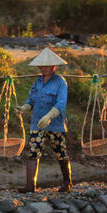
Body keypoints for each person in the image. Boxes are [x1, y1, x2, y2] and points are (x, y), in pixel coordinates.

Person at [15, 48, 72, 193]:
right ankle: (30, 186)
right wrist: (24, 108)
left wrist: (48, 116)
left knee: (60, 152)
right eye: (41, 66)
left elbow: (60, 104)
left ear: (54, 67)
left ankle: (67, 183)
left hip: (55, 125)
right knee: (33, 152)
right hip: (37, 124)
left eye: (45, 66)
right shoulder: (38, 82)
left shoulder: (60, 83)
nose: (42, 68)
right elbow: (31, 100)